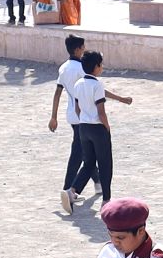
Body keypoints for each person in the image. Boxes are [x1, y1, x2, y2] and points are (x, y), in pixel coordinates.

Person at [50, 49, 123, 211]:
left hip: (83, 127)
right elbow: (101, 111)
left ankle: (72, 190)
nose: (102, 68)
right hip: (98, 128)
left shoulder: (78, 84)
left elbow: (77, 108)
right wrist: (107, 127)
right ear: (96, 67)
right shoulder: (97, 85)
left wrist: (84, 119)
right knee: (105, 164)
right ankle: (106, 200)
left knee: (88, 163)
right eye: (101, 65)